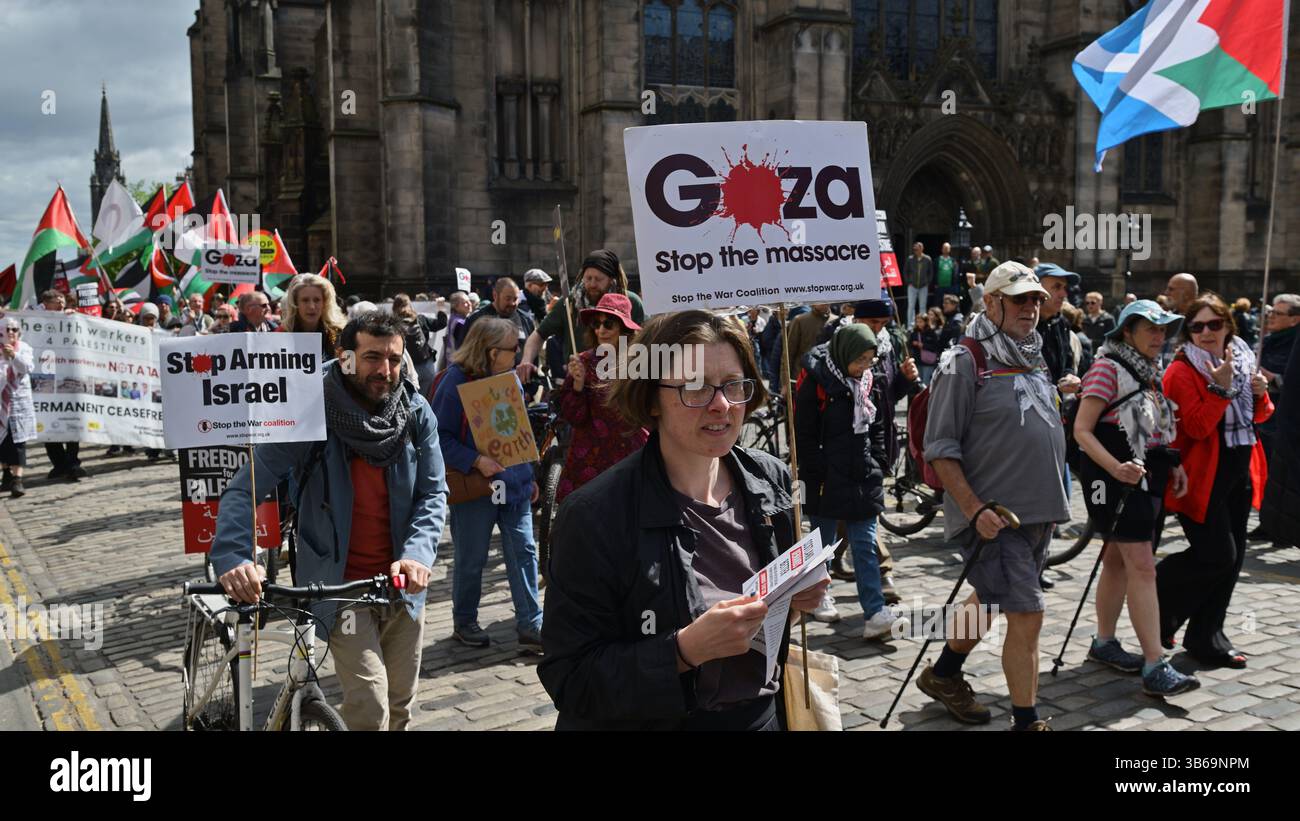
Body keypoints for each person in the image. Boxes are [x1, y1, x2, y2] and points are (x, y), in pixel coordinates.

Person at [537, 309, 830, 730]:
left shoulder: (771, 479)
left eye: (734, 385)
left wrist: (795, 602)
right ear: (651, 398)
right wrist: (683, 651)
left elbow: (767, 626)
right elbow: (571, 677)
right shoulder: (594, 514)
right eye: (694, 386)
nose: (721, 405)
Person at [211, 311, 448, 730]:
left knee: (400, 706)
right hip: (341, 585)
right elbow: (245, 487)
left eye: (394, 359)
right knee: (370, 705)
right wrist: (233, 554)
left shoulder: (415, 411)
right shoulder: (308, 411)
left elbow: (433, 493)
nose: (385, 370)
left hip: (402, 584)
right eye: (373, 357)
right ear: (345, 359)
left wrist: (416, 555)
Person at [921, 262, 1069, 730]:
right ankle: (1027, 722)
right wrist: (974, 508)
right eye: (1019, 298)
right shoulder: (965, 361)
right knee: (1027, 615)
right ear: (990, 301)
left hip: (1038, 513)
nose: (1031, 307)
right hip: (995, 517)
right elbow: (940, 447)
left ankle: (943, 674)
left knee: (988, 597)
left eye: (1036, 299)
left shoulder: (1033, 353)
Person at [1074, 300, 1199, 695]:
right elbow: (1082, 430)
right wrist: (1115, 468)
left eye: (1164, 330)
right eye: (1151, 329)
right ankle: (1153, 664)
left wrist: (1173, 462)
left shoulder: (1149, 371)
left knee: (1117, 561)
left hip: (1144, 479)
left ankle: (1104, 643)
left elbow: (1155, 429)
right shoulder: (1107, 367)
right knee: (1143, 567)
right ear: (1127, 331)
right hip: (1116, 483)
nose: (1160, 336)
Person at [1157, 294, 1273, 669]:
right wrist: (1220, 389)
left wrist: (1260, 392)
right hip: (1201, 474)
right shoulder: (1181, 371)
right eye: (1197, 326)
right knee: (1217, 555)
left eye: (1214, 324)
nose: (1207, 333)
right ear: (1188, 331)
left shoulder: (1241, 356)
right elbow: (1195, 426)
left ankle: (1207, 635)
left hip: (1239, 464)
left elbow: (1261, 415)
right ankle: (1162, 596)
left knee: (1233, 559)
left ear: (1228, 326)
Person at [430, 317, 544, 653]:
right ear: (493, 352)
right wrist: (476, 461)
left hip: (514, 485)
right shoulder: (454, 382)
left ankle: (531, 623)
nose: (518, 354)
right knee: (471, 557)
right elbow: (439, 435)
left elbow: (518, 433)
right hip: (477, 487)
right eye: (513, 349)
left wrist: (529, 476)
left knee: (524, 551)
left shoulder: (510, 379)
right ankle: (464, 621)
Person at [796, 323, 902, 639]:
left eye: (870, 359)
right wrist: (819, 470)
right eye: (860, 360)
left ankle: (875, 612)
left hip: (862, 475)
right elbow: (803, 433)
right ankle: (819, 595)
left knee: (865, 545)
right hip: (826, 478)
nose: (864, 366)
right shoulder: (817, 380)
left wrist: (880, 462)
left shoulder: (871, 381)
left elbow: (880, 425)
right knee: (822, 545)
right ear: (845, 355)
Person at [852, 298, 920, 605]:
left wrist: (905, 378)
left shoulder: (888, 345)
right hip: (854, 441)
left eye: (882, 324)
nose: (878, 329)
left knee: (851, 513)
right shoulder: (843, 342)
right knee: (866, 509)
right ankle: (883, 572)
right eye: (872, 323)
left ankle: (836, 560)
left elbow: (891, 395)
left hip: (883, 435)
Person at [553, 293, 649, 505]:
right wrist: (577, 386)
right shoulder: (583, 361)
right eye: (596, 324)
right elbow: (574, 417)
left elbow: (650, 409)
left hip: (632, 453)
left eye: (608, 324)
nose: (601, 330)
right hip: (591, 457)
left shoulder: (641, 360)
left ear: (624, 328)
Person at [520, 249, 647, 377]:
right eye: (588, 278)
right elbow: (539, 335)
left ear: (611, 279)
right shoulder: (570, 303)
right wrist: (526, 361)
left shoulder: (631, 302)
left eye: (598, 279)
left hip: (618, 381)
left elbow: (646, 341)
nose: (592, 284)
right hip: (576, 382)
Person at [38, 291, 87, 482]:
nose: (60, 305)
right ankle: (59, 463)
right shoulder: (37, 319)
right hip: (46, 379)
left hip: (69, 376)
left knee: (72, 418)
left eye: (62, 302)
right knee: (48, 420)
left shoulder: (71, 317)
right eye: (56, 302)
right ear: (45, 303)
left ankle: (73, 461)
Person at [459, 277, 535, 367]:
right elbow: (464, 354)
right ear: (495, 295)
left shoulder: (526, 320)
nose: (512, 303)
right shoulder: (476, 320)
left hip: (520, 379)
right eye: (508, 299)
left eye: (515, 299)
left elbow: (532, 352)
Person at [0, 319, 35, 498]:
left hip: (18, 402)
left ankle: (17, 480)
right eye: (7, 329)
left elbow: (28, 367)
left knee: (18, 441)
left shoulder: (24, 348)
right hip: (0, 403)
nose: (11, 332)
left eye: (14, 329)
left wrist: (13, 355)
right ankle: (6, 472)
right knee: (3, 441)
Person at [278, 273, 348, 356]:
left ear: (325, 303)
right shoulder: (281, 336)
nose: (312, 306)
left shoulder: (340, 335)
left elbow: (349, 367)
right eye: (305, 300)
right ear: (295, 303)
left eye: (317, 300)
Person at [390, 292, 447, 389]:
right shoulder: (420, 319)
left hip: (406, 369)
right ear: (410, 305)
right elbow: (441, 323)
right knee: (427, 400)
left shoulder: (392, 324)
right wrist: (441, 309)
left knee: (409, 400)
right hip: (426, 365)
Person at [785, 303, 830, 382]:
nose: (824, 303)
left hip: (827, 378)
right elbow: (789, 352)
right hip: (802, 376)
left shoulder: (836, 322)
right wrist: (785, 382)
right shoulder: (800, 320)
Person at [441, 291, 473, 370]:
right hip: (459, 365)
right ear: (456, 307)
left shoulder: (456, 318)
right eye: (465, 302)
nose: (469, 304)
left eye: (469, 301)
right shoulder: (459, 323)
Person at [910, 309, 942, 386]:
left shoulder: (932, 333)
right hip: (917, 360)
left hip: (928, 362)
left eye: (921, 322)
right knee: (917, 383)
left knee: (926, 383)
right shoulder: (914, 332)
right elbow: (909, 345)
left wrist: (923, 345)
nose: (919, 324)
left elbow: (936, 346)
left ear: (926, 322)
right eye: (917, 322)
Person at [904, 242, 933, 323]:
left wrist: (928, 282)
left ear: (921, 249)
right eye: (914, 249)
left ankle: (923, 324)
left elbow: (930, 272)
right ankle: (910, 325)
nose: (915, 251)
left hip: (923, 286)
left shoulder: (927, 259)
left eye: (917, 249)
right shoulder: (910, 259)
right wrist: (908, 281)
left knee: (922, 306)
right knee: (911, 306)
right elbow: (905, 271)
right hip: (912, 286)